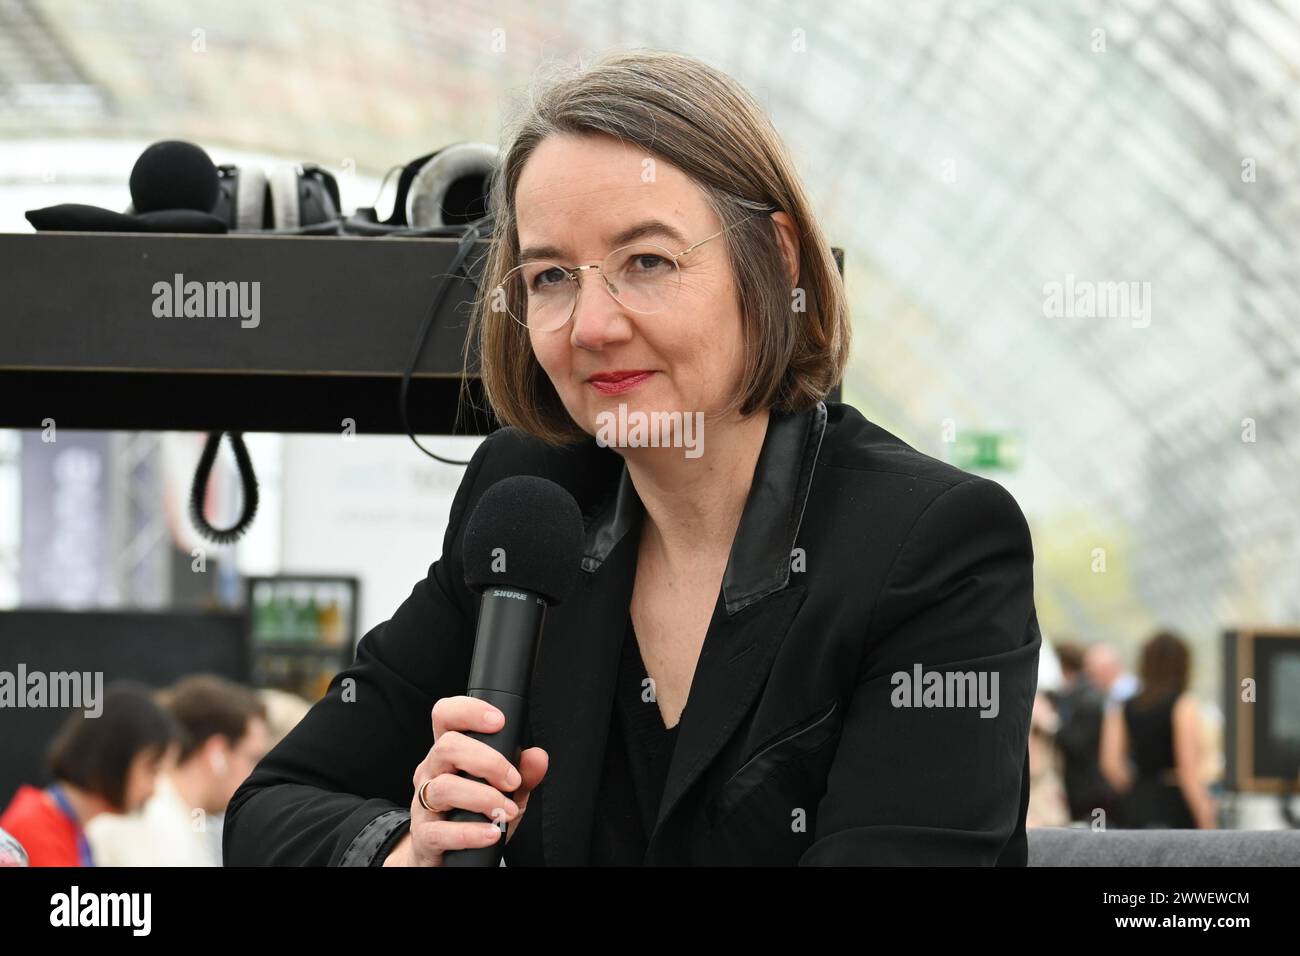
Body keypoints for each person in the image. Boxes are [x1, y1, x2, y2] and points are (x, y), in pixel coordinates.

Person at [223, 48, 1041, 867]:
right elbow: (269, 809)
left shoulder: (932, 545)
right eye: (549, 277)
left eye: (647, 263)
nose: (591, 326)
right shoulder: (531, 498)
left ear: (777, 260)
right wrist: (403, 850)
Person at [87, 675, 269, 866]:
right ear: (217, 753)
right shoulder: (156, 825)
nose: (257, 773)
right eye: (253, 758)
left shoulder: (179, 818)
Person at [0, 683, 179, 866]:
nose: (153, 789)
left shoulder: (72, 830)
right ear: (113, 757)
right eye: (152, 770)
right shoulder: (36, 830)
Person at [1100, 630, 1217, 829]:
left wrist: (1138, 791)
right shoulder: (1183, 704)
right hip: (1175, 805)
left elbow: (1110, 764)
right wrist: (1205, 815)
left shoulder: (1124, 706)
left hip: (1138, 805)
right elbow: (1187, 769)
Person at [1052, 641, 1119, 824]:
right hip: (1093, 790)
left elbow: (1077, 742)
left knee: (1095, 838)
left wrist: (1052, 724)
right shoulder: (1094, 697)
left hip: (1092, 791)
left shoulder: (1089, 699)